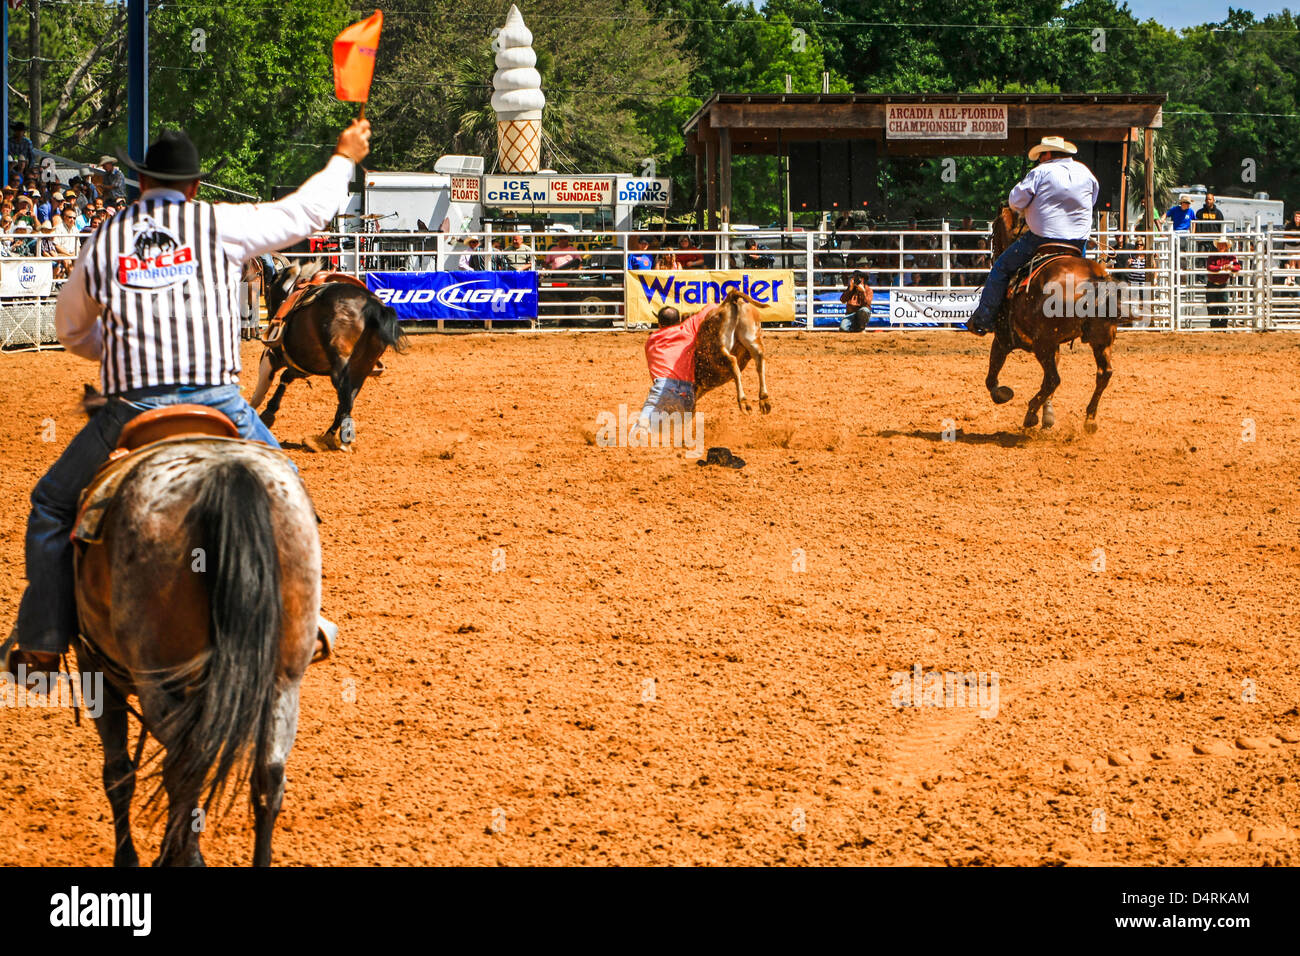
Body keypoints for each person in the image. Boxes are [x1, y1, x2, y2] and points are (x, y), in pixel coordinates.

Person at [1, 120, 372, 687]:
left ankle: (45, 643)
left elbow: (71, 329)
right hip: (219, 403)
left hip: (131, 406)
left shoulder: (106, 239)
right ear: (195, 186)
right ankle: (302, 615)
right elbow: (306, 213)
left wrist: (118, 343)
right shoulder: (222, 223)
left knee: (51, 506)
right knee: (289, 488)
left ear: (141, 182)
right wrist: (345, 156)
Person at [967, 135, 1098, 335]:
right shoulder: (1086, 173)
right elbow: (1093, 199)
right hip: (1078, 242)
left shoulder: (1040, 172)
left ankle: (984, 319)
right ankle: (1093, 316)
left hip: (1042, 239)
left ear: (1047, 154)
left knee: (1001, 268)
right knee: (1087, 274)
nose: (1039, 159)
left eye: (1041, 155)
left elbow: (1015, 202)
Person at [632, 302, 717, 434]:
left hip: (663, 389)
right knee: (671, 432)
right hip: (687, 395)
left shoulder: (652, 340)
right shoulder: (688, 330)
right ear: (678, 322)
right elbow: (712, 308)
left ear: (659, 324)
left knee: (641, 431)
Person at [1204, 236, 1241, 327]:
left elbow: (1237, 267)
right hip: (1212, 284)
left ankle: (1223, 325)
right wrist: (1222, 268)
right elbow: (1210, 267)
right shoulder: (1213, 256)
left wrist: (1231, 267)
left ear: (1226, 246)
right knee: (1212, 307)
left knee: (1224, 307)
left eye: (1223, 245)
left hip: (1222, 284)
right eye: (1220, 245)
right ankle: (1214, 326)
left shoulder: (1231, 257)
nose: (1221, 246)